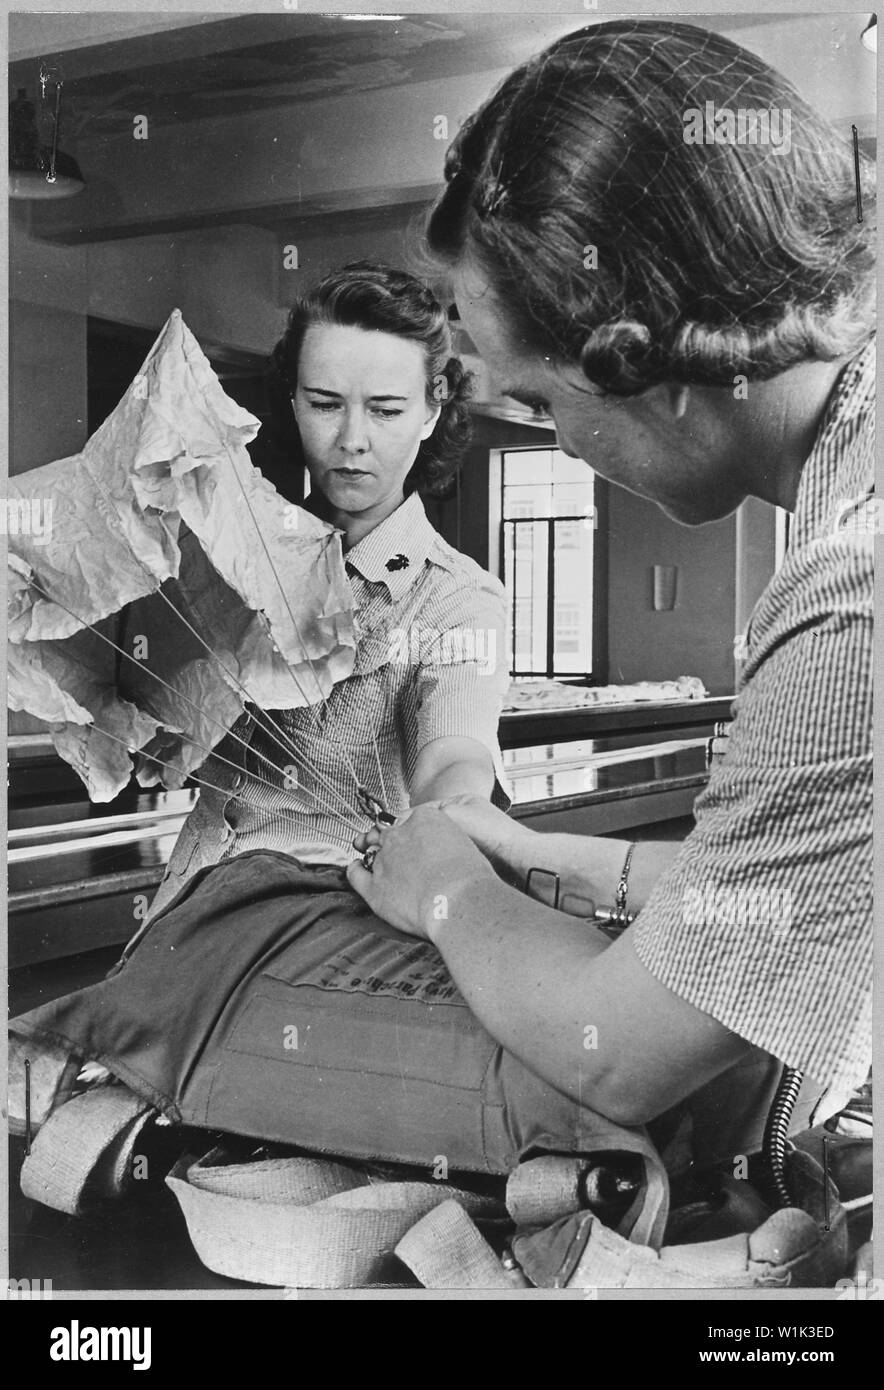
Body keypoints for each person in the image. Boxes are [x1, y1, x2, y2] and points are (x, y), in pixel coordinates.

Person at [348, 19, 874, 1129]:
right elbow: (770, 898)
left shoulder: (848, 606)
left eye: (540, 406)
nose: (561, 446)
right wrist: (540, 859)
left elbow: (620, 1051)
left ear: (651, 361)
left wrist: (445, 890)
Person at [147, 262, 510, 920]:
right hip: (185, 905)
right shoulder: (233, 554)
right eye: (324, 404)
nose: (351, 441)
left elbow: (455, 755)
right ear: (292, 402)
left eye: (386, 409)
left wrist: (452, 810)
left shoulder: (458, 601)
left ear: (432, 411)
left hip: (322, 923)